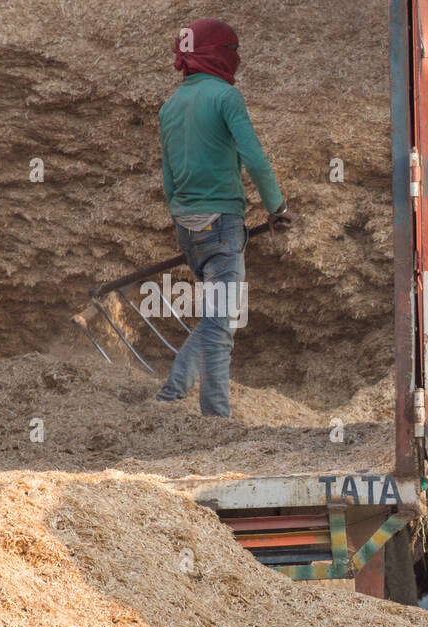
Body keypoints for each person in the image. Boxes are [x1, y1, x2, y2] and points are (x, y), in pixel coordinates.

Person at [155, 17, 293, 417]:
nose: (237, 60)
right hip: (223, 226)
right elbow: (254, 159)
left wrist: (186, 220)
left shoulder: (169, 108)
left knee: (217, 317)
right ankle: (215, 419)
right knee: (219, 327)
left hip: (188, 228)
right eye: (233, 51)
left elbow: (168, 180)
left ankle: (173, 390)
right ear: (218, 54)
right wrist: (276, 207)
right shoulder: (226, 98)